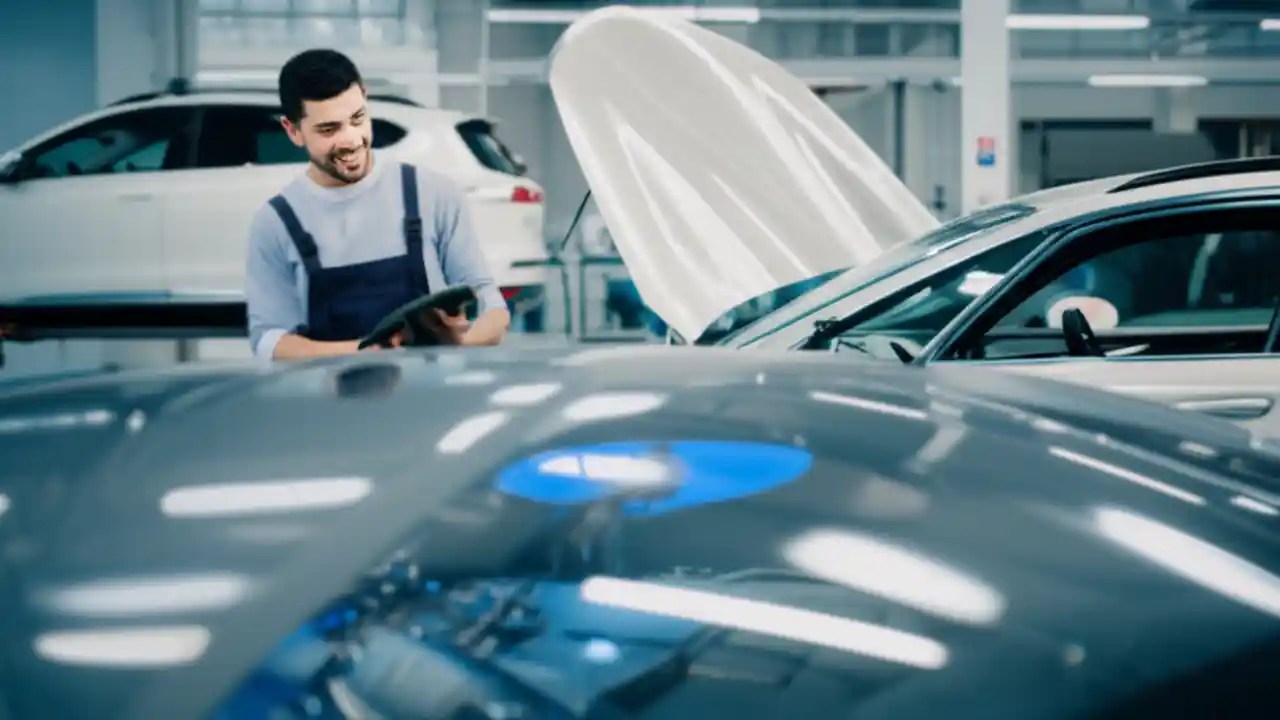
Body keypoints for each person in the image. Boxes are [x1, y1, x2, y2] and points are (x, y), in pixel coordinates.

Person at [245, 48, 509, 360]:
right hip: (329, 403)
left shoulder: (434, 194)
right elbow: (269, 340)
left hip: (431, 398)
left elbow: (494, 312)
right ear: (293, 131)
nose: (350, 139)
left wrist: (450, 343)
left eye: (357, 118)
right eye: (329, 129)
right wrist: (373, 350)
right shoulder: (275, 222)